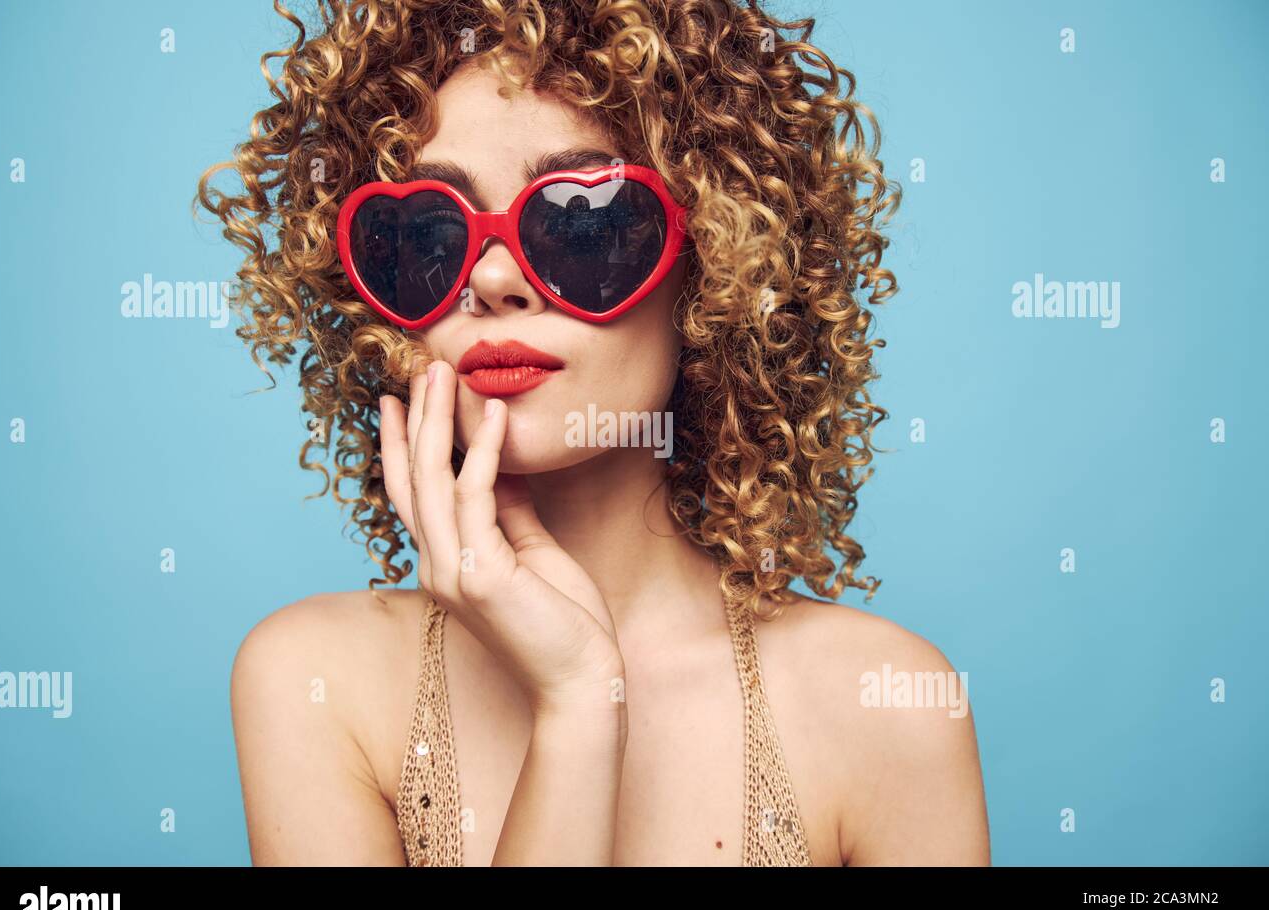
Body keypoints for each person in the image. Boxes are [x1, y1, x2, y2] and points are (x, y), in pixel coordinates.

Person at [198, 0, 990, 866]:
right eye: (430, 232)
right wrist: (578, 701)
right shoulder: (313, 683)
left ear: (717, 268)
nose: (494, 279)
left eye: (582, 220)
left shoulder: (887, 706)